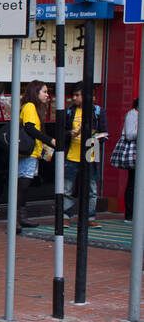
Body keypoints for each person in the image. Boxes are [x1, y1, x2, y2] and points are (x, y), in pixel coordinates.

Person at [16, 80, 56, 228]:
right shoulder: (30, 107)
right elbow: (30, 128)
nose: (47, 95)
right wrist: (50, 140)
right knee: (23, 186)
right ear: (35, 92)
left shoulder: (32, 107)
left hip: (33, 153)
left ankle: (21, 218)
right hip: (28, 153)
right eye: (44, 92)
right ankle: (17, 219)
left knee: (24, 186)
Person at [64, 83, 100, 227]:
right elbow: (62, 130)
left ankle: (90, 218)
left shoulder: (97, 111)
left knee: (92, 188)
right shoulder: (69, 111)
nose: (74, 98)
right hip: (72, 153)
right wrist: (69, 133)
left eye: (78, 95)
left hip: (91, 151)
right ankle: (65, 215)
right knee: (68, 188)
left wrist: (94, 136)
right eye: (74, 95)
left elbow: (105, 133)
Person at [121, 98, 138, 222]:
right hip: (135, 154)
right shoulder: (133, 114)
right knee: (133, 182)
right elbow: (129, 134)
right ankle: (130, 214)